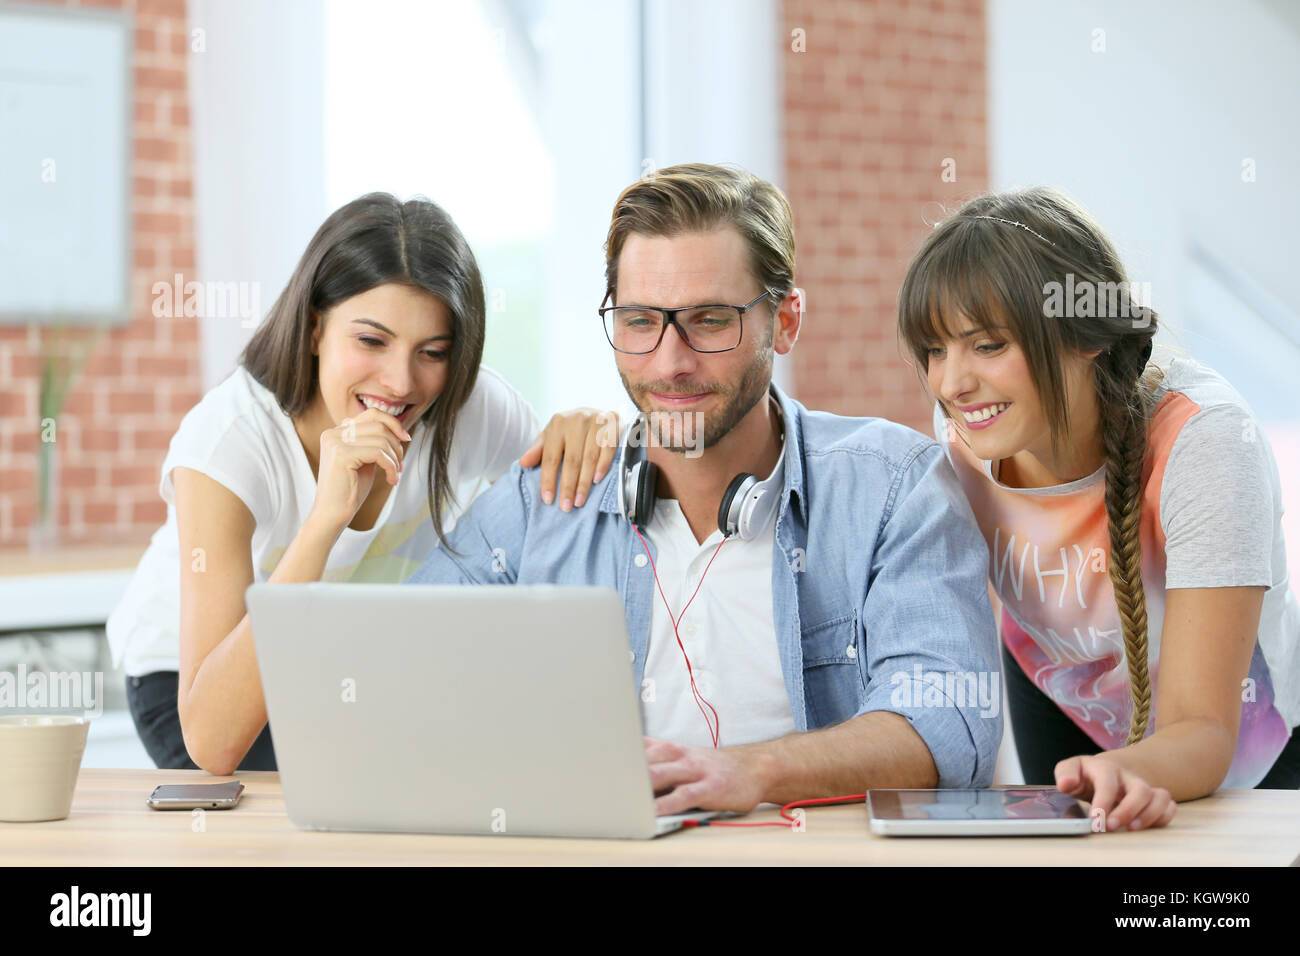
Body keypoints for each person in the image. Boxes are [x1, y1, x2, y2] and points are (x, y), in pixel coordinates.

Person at [408, 163, 1001, 814]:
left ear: (785, 320)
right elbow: (397, 681)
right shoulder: (542, 499)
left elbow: (948, 725)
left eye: (709, 320)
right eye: (640, 322)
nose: (670, 362)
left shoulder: (893, 489)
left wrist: (754, 772)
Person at [107, 193, 617, 775]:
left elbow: (567, 500)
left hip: (337, 667)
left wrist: (593, 433)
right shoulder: (229, 442)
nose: (401, 383)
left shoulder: (467, 409)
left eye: (432, 352)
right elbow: (212, 739)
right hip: (192, 686)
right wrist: (324, 520)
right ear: (315, 327)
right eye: (371, 341)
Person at [897, 186, 1300, 831]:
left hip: (1254, 743)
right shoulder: (968, 436)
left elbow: (1203, 726)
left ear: (1085, 335)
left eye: (988, 345)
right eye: (936, 350)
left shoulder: (1207, 443)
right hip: (1058, 689)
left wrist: (1135, 767)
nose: (951, 383)